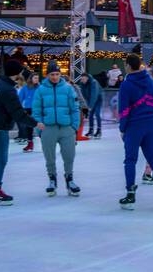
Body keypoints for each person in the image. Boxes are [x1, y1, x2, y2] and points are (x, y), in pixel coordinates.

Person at [0, 57, 36, 205]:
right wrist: (35, 123)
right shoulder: (8, 90)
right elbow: (18, 113)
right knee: (1, 159)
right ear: (17, 73)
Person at [117, 53, 153, 210]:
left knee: (130, 160)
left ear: (127, 66)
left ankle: (130, 195)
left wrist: (122, 128)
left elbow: (124, 110)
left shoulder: (126, 84)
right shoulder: (149, 81)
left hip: (135, 125)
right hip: (152, 123)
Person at [32, 62, 81, 196]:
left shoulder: (68, 88)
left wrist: (74, 127)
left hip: (66, 129)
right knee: (50, 157)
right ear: (47, 75)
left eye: (57, 74)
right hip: (48, 128)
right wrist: (40, 128)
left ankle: (69, 179)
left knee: (69, 155)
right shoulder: (41, 90)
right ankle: (52, 179)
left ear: (60, 75)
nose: (55, 77)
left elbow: (75, 109)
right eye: (52, 74)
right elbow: (36, 111)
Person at [18, 72, 40, 152]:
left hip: (38, 109)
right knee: (28, 127)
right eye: (35, 78)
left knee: (40, 126)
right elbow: (20, 98)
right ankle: (30, 144)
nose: (36, 80)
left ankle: (46, 143)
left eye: (37, 78)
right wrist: (19, 108)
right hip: (28, 109)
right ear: (31, 79)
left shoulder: (40, 87)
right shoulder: (25, 88)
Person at [78, 71, 103, 138]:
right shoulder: (82, 83)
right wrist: (84, 105)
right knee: (90, 115)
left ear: (87, 78)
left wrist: (90, 106)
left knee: (97, 114)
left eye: (83, 79)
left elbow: (94, 95)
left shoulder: (93, 82)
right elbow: (82, 95)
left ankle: (99, 131)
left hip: (98, 99)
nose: (82, 80)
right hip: (90, 99)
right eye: (81, 79)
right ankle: (91, 130)